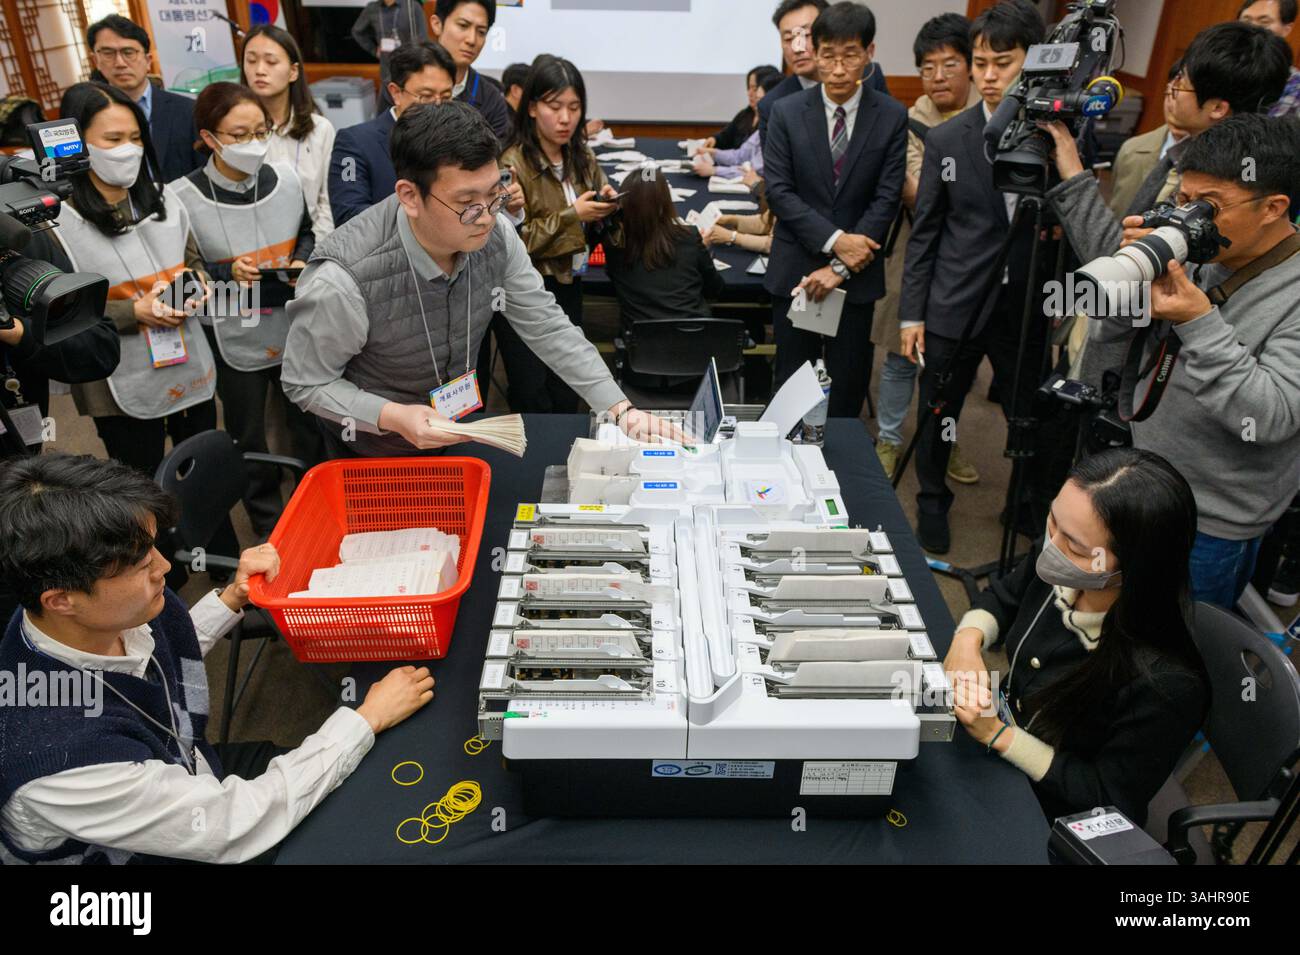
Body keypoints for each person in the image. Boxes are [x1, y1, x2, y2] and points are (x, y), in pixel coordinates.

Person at [0, 453, 435, 865]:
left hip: (190, 766)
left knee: (369, 785)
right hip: (154, 852)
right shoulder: (64, 766)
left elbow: (157, 653)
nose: (164, 568)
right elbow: (231, 825)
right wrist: (364, 719)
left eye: (153, 548)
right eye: (139, 564)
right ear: (61, 600)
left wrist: (231, 598)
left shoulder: (66, 616)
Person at [282, 101, 679, 458]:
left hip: (458, 429)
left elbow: (546, 324)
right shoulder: (344, 278)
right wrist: (392, 416)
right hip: (372, 448)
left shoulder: (496, 235)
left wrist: (619, 409)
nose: (487, 216)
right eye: (466, 204)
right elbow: (306, 382)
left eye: (495, 195)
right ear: (410, 196)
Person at [1042, 114, 1300, 609]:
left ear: (1273, 207)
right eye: (1185, 200)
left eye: (1210, 206)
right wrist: (1130, 281)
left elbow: (1269, 417)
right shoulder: (1198, 250)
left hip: (1210, 520)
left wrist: (1198, 320)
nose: (1192, 218)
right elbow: (1113, 343)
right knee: (1097, 625)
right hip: (1137, 486)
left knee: (1170, 661)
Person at [945, 448, 1208, 827]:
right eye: (1052, 522)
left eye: (1075, 547)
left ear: (1134, 567)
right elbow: (1003, 597)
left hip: (1048, 810)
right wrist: (967, 641)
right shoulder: (1063, 551)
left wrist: (1001, 737)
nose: (1051, 546)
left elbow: (1108, 798)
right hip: (1005, 742)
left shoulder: (1167, 685)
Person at [1046, 21, 1293, 389]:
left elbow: (1129, 265)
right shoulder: (1160, 152)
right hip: (1109, 336)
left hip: (1142, 377)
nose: (1172, 88)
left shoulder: (1231, 200)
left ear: (1218, 107)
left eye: (1183, 83)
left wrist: (1072, 174)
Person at [898, 0, 1049, 555]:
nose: (988, 76)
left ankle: (1026, 505)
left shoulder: (1058, 136)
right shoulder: (947, 140)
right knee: (940, 411)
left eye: (1002, 63)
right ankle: (933, 503)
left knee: (1029, 414)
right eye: (980, 62)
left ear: (1036, 63)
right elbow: (926, 234)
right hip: (954, 303)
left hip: (1027, 302)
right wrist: (912, 313)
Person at [34, 83, 218, 477]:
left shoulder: (164, 200)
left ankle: (210, 541)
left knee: (201, 470)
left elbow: (193, 261)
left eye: (135, 137)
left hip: (187, 357)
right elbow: (55, 310)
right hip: (117, 377)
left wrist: (195, 285)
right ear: (78, 143)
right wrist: (134, 311)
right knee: (141, 482)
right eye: (113, 138)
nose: (128, 149)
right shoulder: (57, 224)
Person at [172, 82, 323, 540]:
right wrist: (224, 271)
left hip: (293, 318)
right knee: (248, 436)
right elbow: (181, 273)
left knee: (308, 427)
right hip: (233, 330)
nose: (253, 143)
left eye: (261, 130)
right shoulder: (181, 197)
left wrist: (302, 258)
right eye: (239, 135)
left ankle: (316, 513)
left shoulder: (288, 181)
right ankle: (269, 527)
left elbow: (307, 233)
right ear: (209, 138)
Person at [763, 2, 906, 418]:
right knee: (791, 383)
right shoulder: (785, 113)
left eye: (850, 55)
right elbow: (780, 192)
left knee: (848, 387)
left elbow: (887, 198)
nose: (839, 69)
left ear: (869, 53)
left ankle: (842, 476)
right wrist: (837, 241)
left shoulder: (892, 115)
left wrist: (841, 266)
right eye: (829, 55)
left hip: (856, 280)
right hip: (797, 272)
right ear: (816, 51)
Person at [871, 11, 980, 483]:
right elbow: (916, 193)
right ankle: (890, 440)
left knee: (954, 368)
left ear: (971, 65)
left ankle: (944, 443)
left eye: (949, 64)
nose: (937, 77)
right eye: (927, 67)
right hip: (914, 257)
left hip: (969, 265)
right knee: (900, 359)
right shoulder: (909, 122)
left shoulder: (992, 119)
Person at [499, 55, 619, 413]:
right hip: (526, 289)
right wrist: (574, 215)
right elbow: (514, 241)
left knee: (569, 382)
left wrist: (607, 207)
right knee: (531, 388)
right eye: (555, 107)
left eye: (574, 107)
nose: (566, 118)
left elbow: (594, 222)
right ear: (533, 107)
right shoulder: (511, 163)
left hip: (571, 279)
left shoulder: (581, 156)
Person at [328, 42, 456, 227]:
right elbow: (349, 216)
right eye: (426, 96)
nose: (437, 106)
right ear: (396, 93)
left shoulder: (457, 138)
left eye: (445, 97)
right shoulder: (354, 144)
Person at [242, 24, 338, 244]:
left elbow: (328, 202)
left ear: (293, 71)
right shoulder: (235, 132)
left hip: (314, 249)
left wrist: (310, 252)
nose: (259, 70)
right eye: (251, 60)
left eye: (271, 61)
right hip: (255, 253)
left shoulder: (321, 129)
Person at [604, 165, 723, 331]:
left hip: (643, 345)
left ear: (622, 203)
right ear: (666, 202)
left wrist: (611, 209)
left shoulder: (615, 244)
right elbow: (715, 288)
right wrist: (700, 250)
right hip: (695, 341)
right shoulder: (689, 237)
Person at [86, 15, 200, 183]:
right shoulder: (87, 116)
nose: (120, 63)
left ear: (148, 61)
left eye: (128, 52)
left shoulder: (188, 110)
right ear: (96, 61)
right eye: (108, 53)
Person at [757, 0, 888, 140]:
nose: (797, 48)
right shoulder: (772, 105)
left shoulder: (870, 76)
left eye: (806, 35)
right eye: (788, 38)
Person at [429, 0, 512, 141]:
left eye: (481, 32)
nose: (472, 40)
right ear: (437, 24)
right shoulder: (406, 83)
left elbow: (494, 158)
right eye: (463, 25)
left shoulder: (492, 100)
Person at [692, 70, 784, 184]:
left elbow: (755, 172)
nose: (757, 105)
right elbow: (740, 156)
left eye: (761, 100)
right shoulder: (763, 126)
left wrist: (714, 170)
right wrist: (713, 153)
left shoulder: (778, 133)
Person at [351, 0, 430, 98]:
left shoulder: (411, 6)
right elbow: (357, 31)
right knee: (386, 109)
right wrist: (373, 50)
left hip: (410, 69)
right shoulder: (372, 8)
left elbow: (423, 38)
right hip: (387, 72)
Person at [1239, 0, 1300, 118]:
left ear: (1287, 29)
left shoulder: (1294, 85)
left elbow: (1266, 132)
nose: (1252, 28)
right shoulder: (1218, 65)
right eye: (1246, 20)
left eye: (1264, 22)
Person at [703, 65, 782, 151]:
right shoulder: (744, 114)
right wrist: (714, 140)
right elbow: (726, 135)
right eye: (749, 88)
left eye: (755, 89)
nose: (749, 93)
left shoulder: (772, 119)